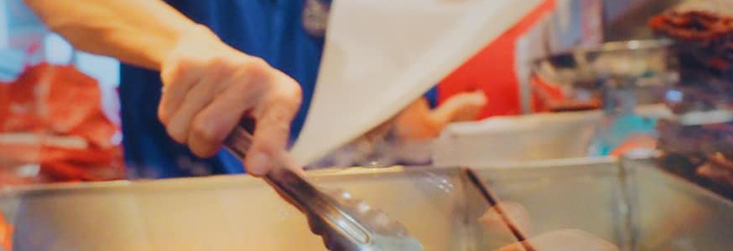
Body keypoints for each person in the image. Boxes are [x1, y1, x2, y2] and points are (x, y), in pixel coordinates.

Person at [24, 0, 485, 178]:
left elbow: (390, 91)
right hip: (192, 209)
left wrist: (409, 126)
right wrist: (183, 44)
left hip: (343, 217)